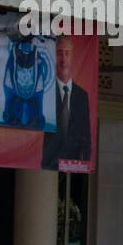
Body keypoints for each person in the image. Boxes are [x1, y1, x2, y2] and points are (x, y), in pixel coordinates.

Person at [42, 33, 92, 169]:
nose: (63, 59)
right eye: (59, 53)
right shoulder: (47, 91)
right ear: (54, 57)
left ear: (72, 57)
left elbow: (86, 137)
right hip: (49, 162)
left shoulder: (82, 96)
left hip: (74, 165)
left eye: (67, 53)